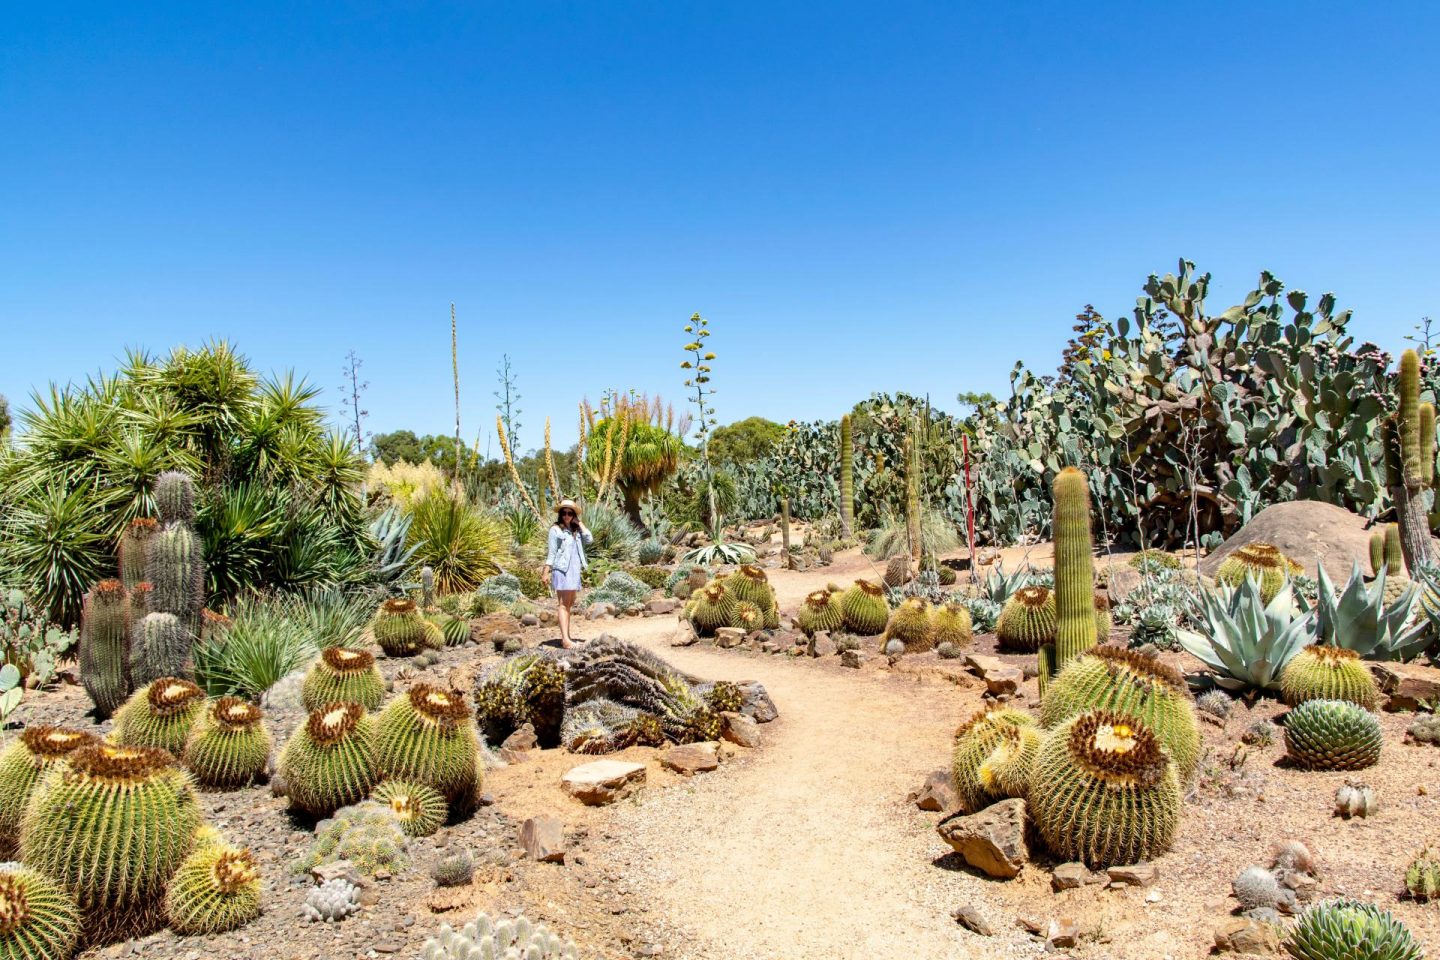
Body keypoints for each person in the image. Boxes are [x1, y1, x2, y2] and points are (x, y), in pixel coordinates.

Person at [543, 499, 593, 649]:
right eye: (564, 513)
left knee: (569, 604)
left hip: (574, 570)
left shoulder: (575, 531)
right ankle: (565, 640)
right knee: (563, 605)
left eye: (570, 513)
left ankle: (567, 637)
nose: (566, 516)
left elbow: (590, 539)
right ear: (560, 514)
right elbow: (551, 553)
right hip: (562, 570)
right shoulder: (555, 530)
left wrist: (580, 523)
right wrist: (545, 572)